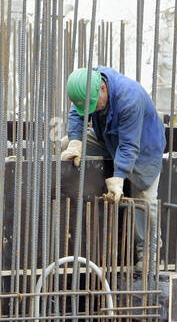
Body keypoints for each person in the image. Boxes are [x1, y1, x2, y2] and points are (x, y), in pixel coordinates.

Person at [60, 67, 166, 273]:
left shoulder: (130, 98)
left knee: (144, 199)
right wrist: (75, 142)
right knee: (65, 144)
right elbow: (77, 112)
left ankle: (149, 252)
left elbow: (128, 146)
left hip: (143, 149)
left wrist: (118, 178)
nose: (91, 110)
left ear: (103, 88)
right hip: (108, 139)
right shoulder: (88, 86)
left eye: (93, 104)